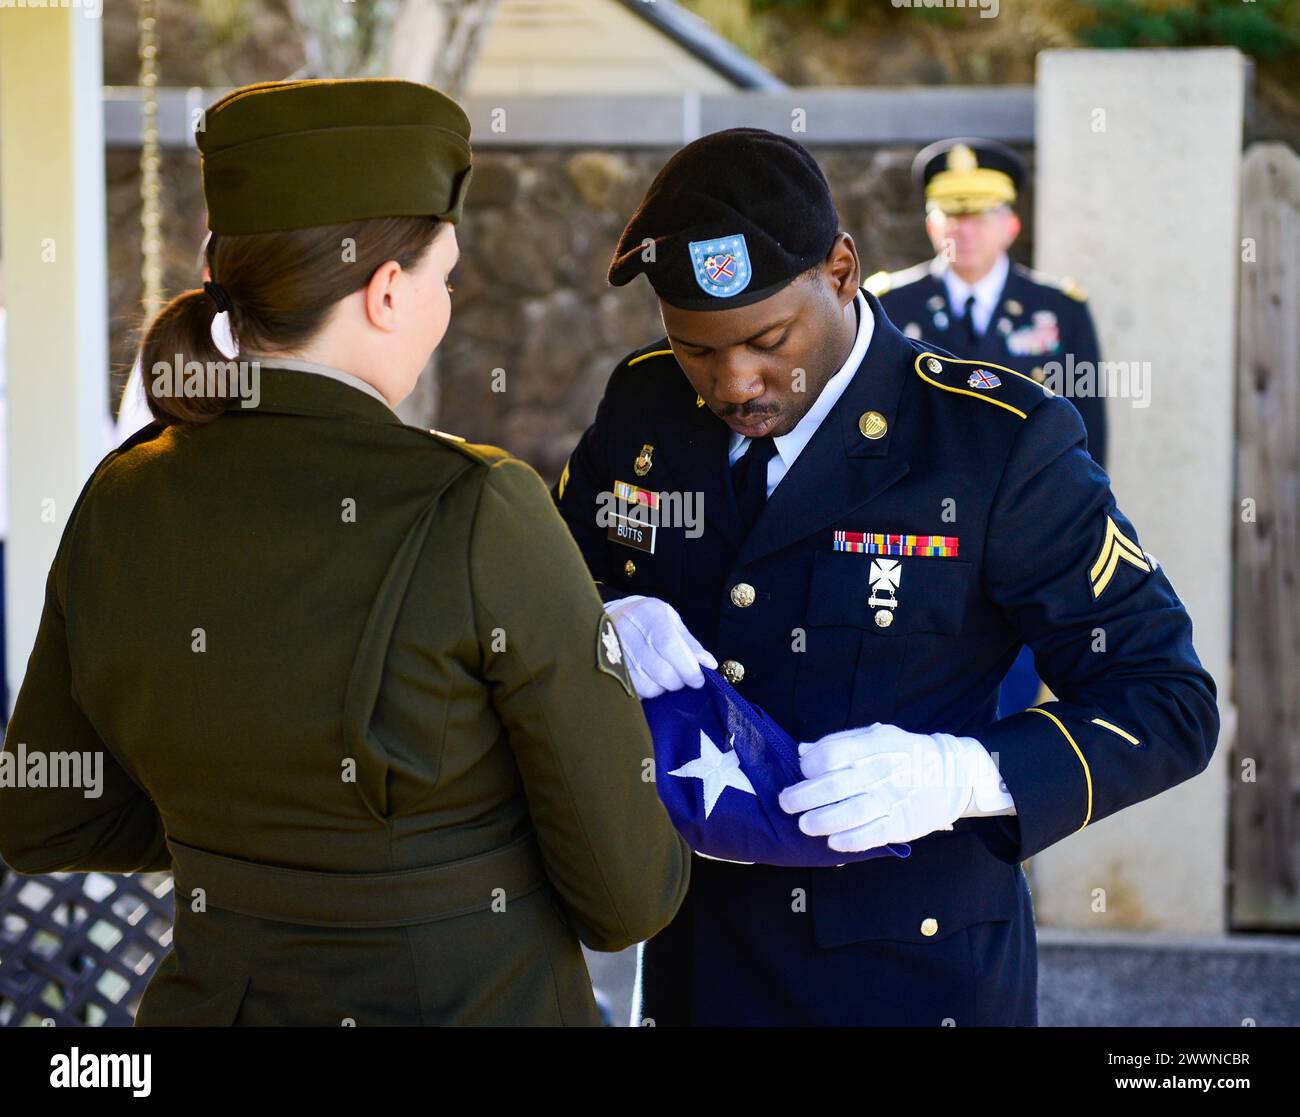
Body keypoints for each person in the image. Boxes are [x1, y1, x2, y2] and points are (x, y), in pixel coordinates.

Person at [0, 77, 689, 1026]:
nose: (446, 311)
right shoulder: (480, 508)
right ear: (388, 290)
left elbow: (47, 812)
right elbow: (628, 895)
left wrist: (247, 842)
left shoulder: (118, 497)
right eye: (443, 280)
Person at [552, 127, 1219, 1026]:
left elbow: (1168, 699)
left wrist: (967, 773)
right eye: (696, 349)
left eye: (768, 339)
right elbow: (550, 583)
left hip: (913, 971)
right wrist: (599, 614)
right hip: (697, 957)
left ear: (840, 270)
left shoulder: (996, 441)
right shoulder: (644, 405)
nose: (734, 381)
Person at [869, 137, 1108, 716]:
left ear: (1011, 224)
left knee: (1010, 717)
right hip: (913, 544)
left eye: (981, 214)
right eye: (951, 213)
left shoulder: (1060, 310)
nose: (965, 229)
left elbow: (1087, 439)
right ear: (930, 224)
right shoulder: (886, 307)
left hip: (1022, 542)